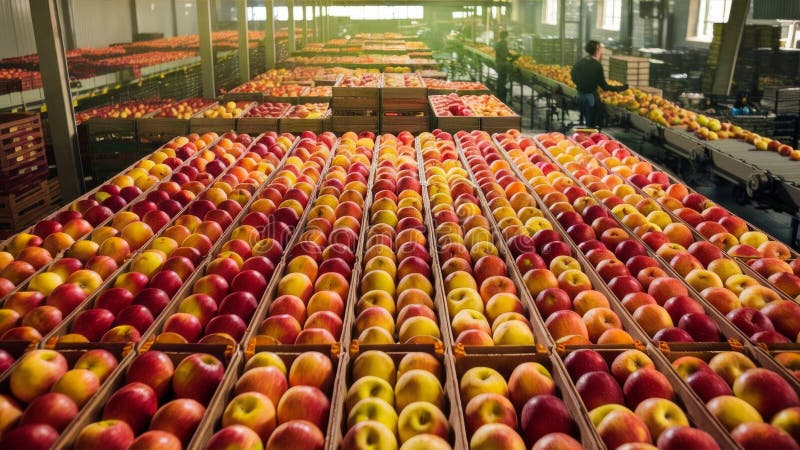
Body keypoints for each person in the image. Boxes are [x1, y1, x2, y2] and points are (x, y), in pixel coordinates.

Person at [571, 40, 628, 128]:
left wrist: (580, 83)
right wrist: (621, 88)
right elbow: (604, 86)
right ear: (597, 50)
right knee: (592, 125)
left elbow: (573, 73)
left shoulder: (581, 62)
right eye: (600, 49)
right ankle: (590, 138)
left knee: (587, 121)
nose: (601, 51)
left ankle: (586, 137)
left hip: (581, 96)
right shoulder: (597, 65)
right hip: (591, 98)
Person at [494, 30, 518, 103]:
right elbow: (504, 54)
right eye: (508, 36)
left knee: (500, 80)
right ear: (506, 36)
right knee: (502, 81)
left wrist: (513, 56)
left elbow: (506, 53)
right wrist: (512, 59)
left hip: (498, 63)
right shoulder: (503, 43)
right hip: (502, 65)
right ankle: (501, 98)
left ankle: (499, 96)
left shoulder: (498, 42)